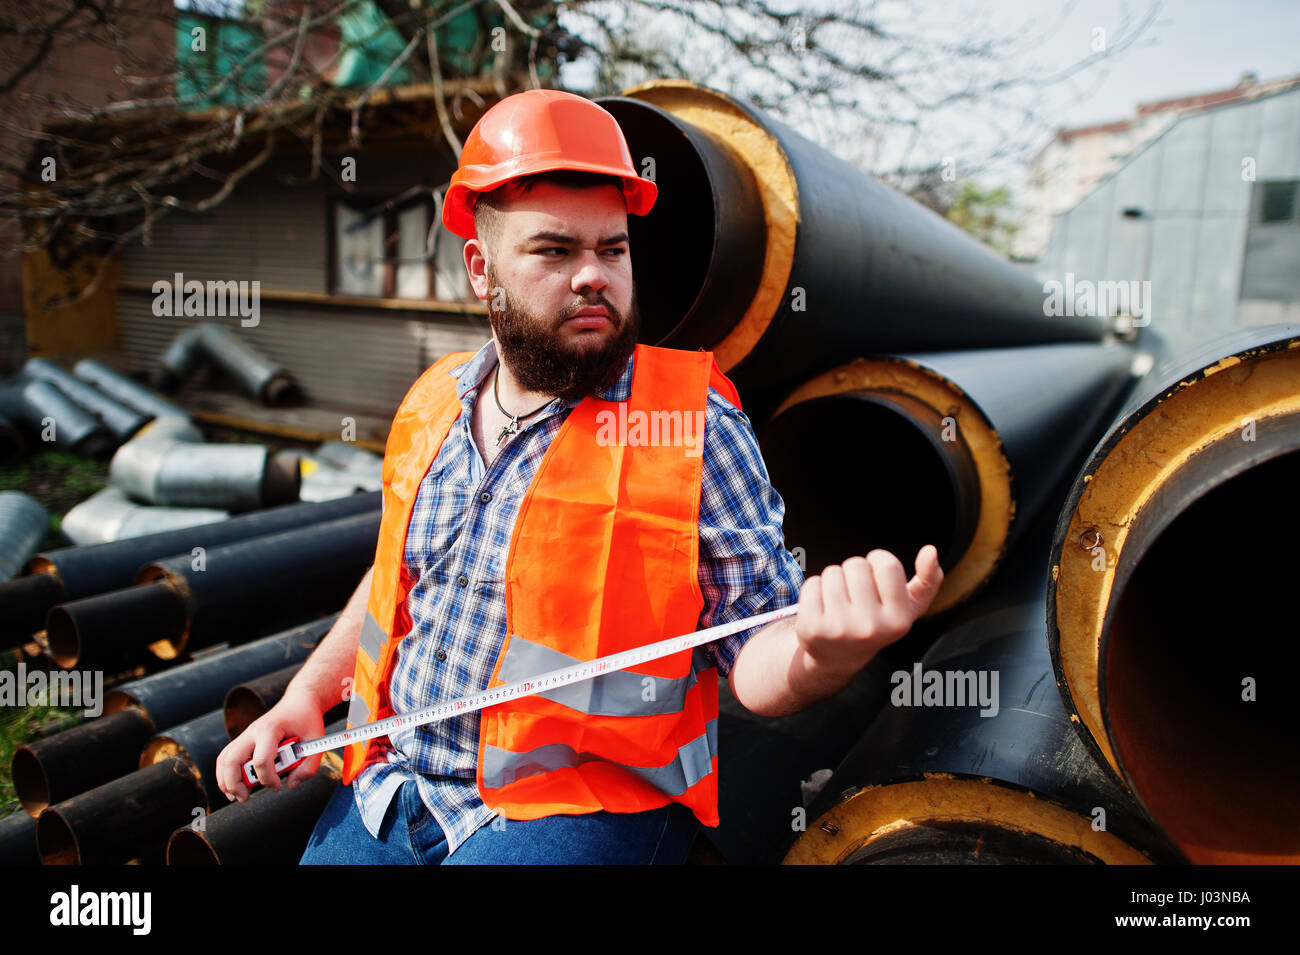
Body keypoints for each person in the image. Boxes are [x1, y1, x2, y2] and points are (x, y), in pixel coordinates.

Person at [214, 88, 944, 865]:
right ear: (480, 269)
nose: (594, 276)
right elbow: (393, 577)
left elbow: (756, 648)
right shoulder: (432, 404)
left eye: (613, 249)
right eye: (555, 251)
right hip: (393, 782)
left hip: (579, 808)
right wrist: (306, 696)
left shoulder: (694, 427)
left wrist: (821, 649)